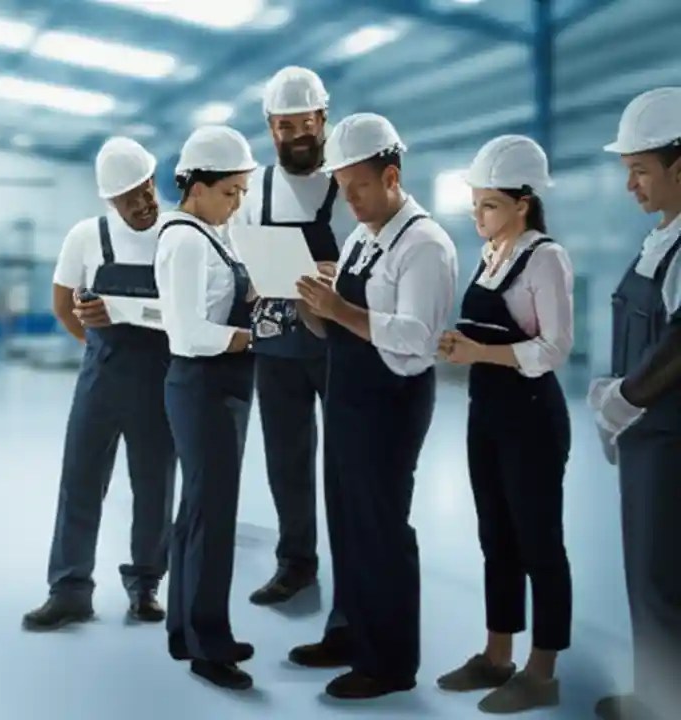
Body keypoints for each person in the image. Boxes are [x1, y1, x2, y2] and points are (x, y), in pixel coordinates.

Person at [295, 113, 458, 699]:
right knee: (346, 521)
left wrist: (337, 310)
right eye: (341, 188)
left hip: (391, 402)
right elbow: (337, 325)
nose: (350, 199)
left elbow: (416, 336)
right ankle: (349, 632)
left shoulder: (425, 245)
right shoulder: (365, 237)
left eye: (359, 185)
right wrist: (311, 297)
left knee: (382, 529)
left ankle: (389, 663)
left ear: (391, 176)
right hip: (349, 398)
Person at [436, 135, 574, 714]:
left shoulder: (545, 257)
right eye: (475, 204)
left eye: (489, 205)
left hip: (532, 420)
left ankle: (542, 672)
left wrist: (479, 354)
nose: (478, 216)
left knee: (539, 544)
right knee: (496, 540)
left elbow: (554, 348)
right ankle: (497, 656)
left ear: (524, 202)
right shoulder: (491, 253)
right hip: (487, 415)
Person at [23, 136, 177, 631]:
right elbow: (63, 306)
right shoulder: (86, 237)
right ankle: (69, 590)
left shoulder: (180, 232)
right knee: (81, 481)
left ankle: (146, 586)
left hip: (162, 377)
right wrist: (94, 338)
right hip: (103, 376)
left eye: (146, 187)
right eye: (128, 195)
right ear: (109, 200)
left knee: (154, 485)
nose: (142, 201)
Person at [232, 66, 352, 608]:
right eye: (283, 127)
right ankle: (296, 563)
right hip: (276, 344)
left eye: (304, 125)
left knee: (349, 462)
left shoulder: (350, 181)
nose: (295, 137)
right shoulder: (254, 186)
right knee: (286, 458)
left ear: (322, 119)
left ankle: (355, 565)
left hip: (341, 339)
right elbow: (235, 249)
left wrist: (335, 274)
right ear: (269, 127)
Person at [586, 86, 681, 720]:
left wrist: (623, 399)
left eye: (641, 171)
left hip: (670, 440)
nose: (631, 186)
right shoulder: (665, 238)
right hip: (648, 438)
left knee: (661, 582)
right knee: (649, 576)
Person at [154, 125, 258, 690]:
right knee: (212, 517)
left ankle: (185, 630)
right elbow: (188, 332)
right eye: (230, 193)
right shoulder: (187, 239)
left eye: (242, 193)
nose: (236, 203)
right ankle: (209, 646)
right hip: (203, 382)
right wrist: (252, 339)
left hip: (219, 385)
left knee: (197, 510)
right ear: (196, 186)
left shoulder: (212, 232)